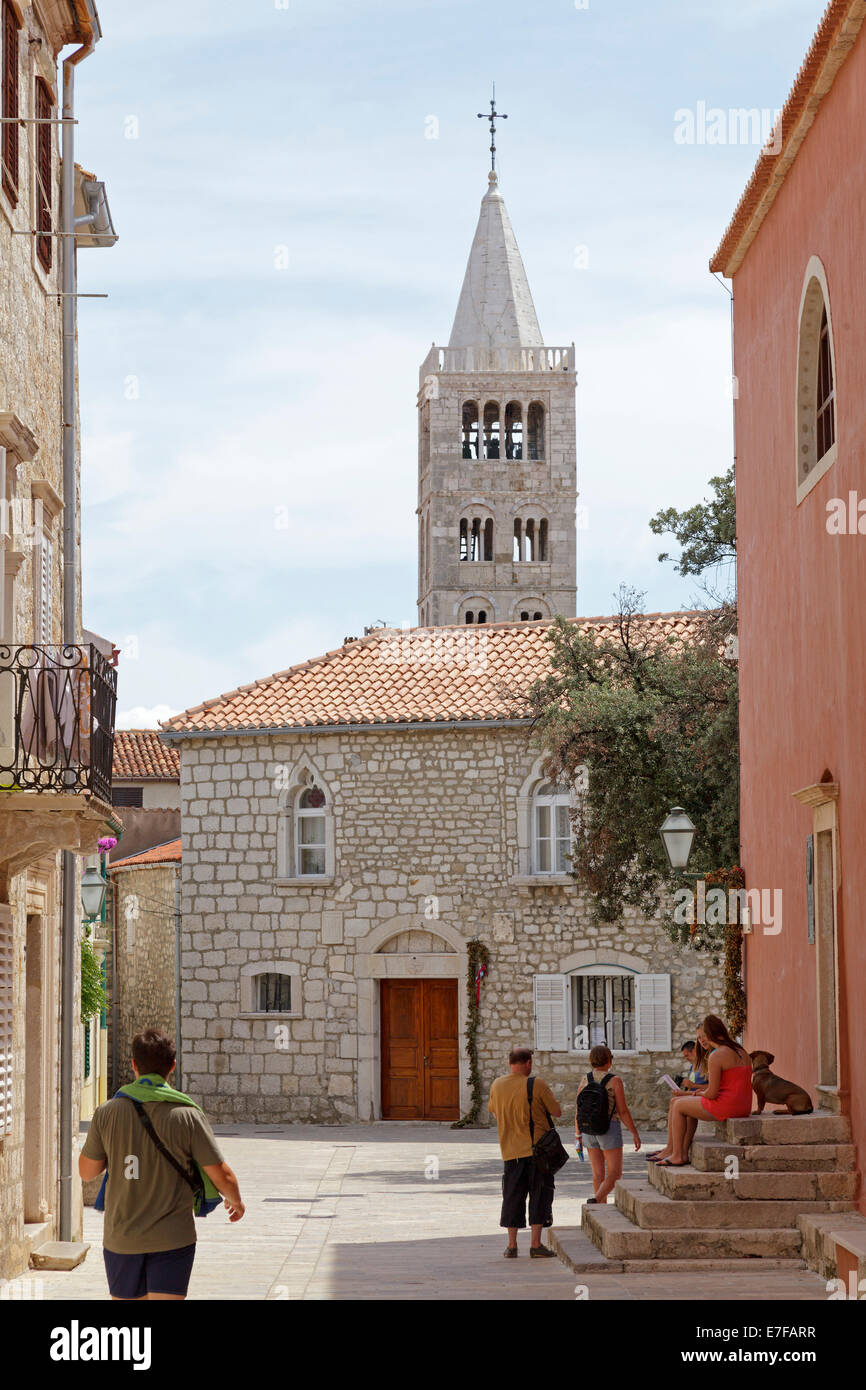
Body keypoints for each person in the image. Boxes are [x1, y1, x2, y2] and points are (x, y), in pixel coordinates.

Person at [78, 1027, 245, 1300]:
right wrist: (235, 1201)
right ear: (173, 1066)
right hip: (173, 1238)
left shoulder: (107, 1112)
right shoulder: (188, 1115)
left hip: (122, 1238)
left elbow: (87, 1172)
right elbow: (222, 1175)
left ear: (134, 1065)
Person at [488, 1046, 562, 1259]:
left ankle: (511, 1245)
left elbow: (494, 1112)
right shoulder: (536, 1084)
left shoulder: (497, 1085)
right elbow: (556, 1111)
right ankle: (535, 1244)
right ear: (528, 1063)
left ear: (510, 1063)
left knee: (512, 1197)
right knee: (539, 1195)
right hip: (537, 1151)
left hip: (510, 1151)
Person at [657, 1015, 753, 1167]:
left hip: (726, 1106)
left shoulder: (717, 1055)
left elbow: (712, 1094)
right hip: (744, 1106)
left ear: (712, 1033)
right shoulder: (741, 1050)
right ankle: (679, 1152)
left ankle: (677, 1154)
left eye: (704, 1036)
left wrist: (696, 1093)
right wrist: (693, 1094)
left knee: (678, 1105)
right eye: (699, 1037)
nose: (701, 1041)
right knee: (680, 1102)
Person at [575, 1044, 641, 1205]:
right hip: (609, 1127)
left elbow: (578, 1108)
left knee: (598, 1174)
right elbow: (623, 1110)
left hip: (588, 1129)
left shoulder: (585, 1079)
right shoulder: (614, 1080)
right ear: (608, 1060)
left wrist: (578, 1134)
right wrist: (634, 1133)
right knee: (615, 1173)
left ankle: (600, 1208)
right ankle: (597, 1200)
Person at [646, 1031, 711, 1164]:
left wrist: (691, 1085)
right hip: (693, 1096)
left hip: (702, 1097)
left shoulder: (706, 1064)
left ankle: (675, 1150)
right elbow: (693, 1087)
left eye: (687, 1055)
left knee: (676, 1103)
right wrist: (684, 1090)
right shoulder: (693, 1066)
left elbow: (711, 1087)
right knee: (676, 1101)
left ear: (694, 1051)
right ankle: (674, 1149)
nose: (686, 1058)